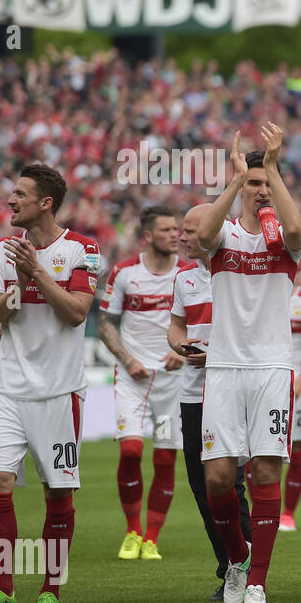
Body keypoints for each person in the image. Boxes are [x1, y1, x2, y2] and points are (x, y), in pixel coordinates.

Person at [0, 164, 99, 603]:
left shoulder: (83, 249)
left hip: (60, 394)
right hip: (7, 390)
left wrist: (38, 275)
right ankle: (1, 591)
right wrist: (19, 285)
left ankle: (50, 591)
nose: (10, 201)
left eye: (20, 194)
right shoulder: (5, 251)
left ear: (45, 202)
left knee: (58, 495)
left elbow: (77, 313)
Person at [196, 123, 301, 603]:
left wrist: (273, 169)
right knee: (218, 478)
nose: (260, 189)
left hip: (270, 368)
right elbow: (201, 234)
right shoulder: (223, 236)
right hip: (223, 368)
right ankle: (238, 559)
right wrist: (237, 180)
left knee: (263, 471)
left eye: (267, 182)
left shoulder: (286, 241)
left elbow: (300, 231)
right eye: (255, 182)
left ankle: (257, 581)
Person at [168, 204, 254, 601]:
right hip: (191, 392)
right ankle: (229, 562)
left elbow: (253, 329)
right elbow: (176, 326)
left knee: (230, 482)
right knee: (201, 485)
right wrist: (178, 345)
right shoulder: (184, 280)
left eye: (188, 230)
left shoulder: (236, 271)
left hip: (231, 387)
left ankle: (243, 565)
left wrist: (216, 352)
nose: (181, 237)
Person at [99, 205, 184, 561]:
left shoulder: (190, 274)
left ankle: (151, 537)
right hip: (133, 378)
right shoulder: (124, 274)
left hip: (173, 381)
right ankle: (132, 530)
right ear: (148, 236)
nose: (176, 235)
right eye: (166, 230)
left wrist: (186, 350)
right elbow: (105, 323)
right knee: (131, 450)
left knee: (165, 457)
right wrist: (128, 359)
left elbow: (205, 320)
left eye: (177, 229)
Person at [278, 278, 301, 532]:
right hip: (268, 379)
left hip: (297, 384)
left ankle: (288, 513)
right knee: (256, 447)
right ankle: (261, 508)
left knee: (298, 446)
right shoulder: (264, 296)